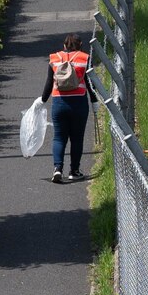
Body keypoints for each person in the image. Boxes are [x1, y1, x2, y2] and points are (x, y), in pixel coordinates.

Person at [41, 32, 93, 183]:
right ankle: (74, 171)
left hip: (59, 102)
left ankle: (57, 169)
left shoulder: (54, 59)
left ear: (64, 45)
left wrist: (42, 101)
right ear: (81, 46)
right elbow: (90, 83)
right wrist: (94, 100)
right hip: (79, 103)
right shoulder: (85, 58)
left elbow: (49, 83)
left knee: (59, 137)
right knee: (77, 138)